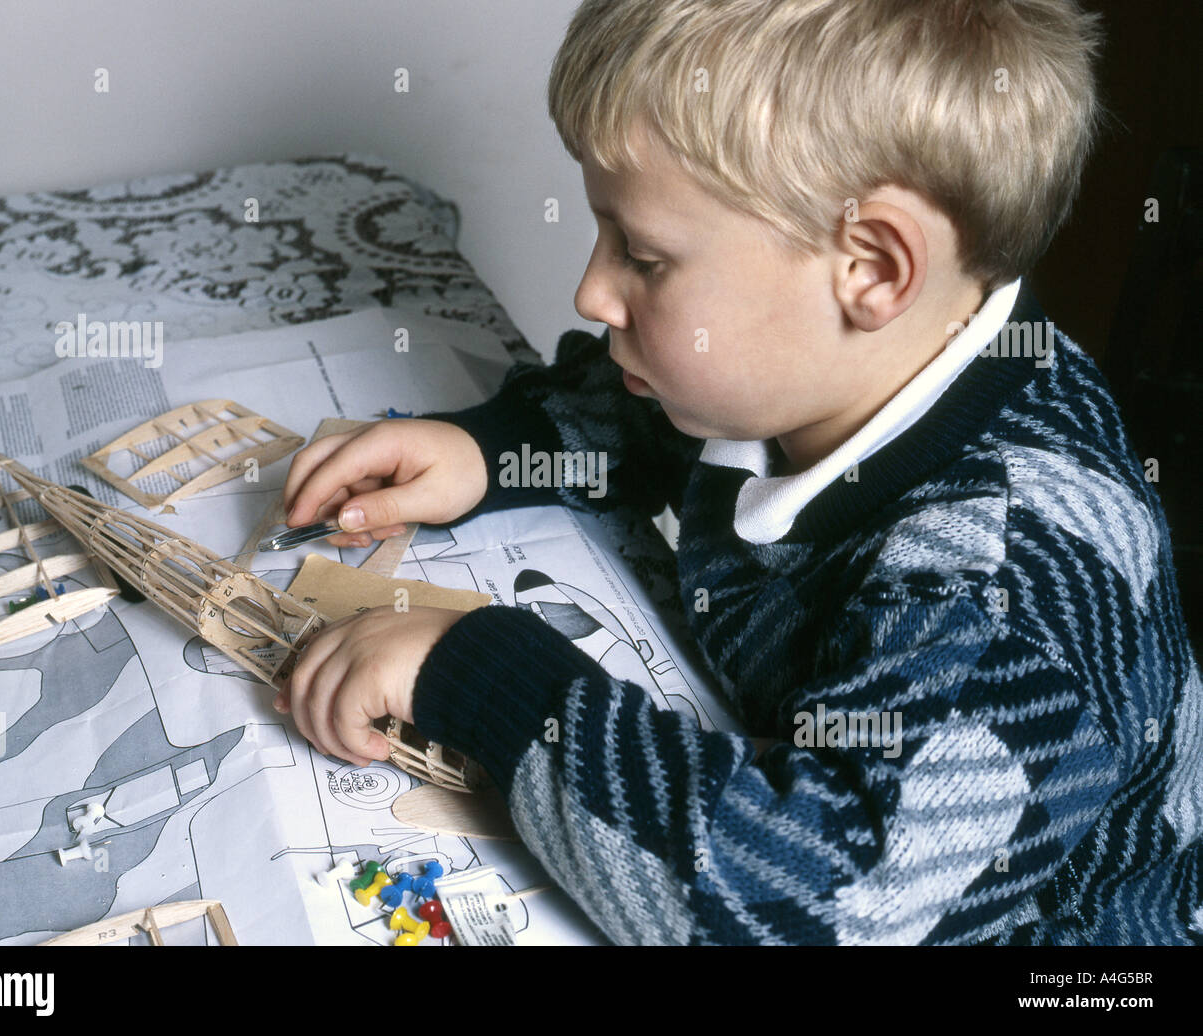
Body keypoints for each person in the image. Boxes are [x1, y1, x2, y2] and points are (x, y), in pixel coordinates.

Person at [276, 0, 1201, 944]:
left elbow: (810, 904)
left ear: (873, 269)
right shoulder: (830, 364)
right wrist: (493, 448)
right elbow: (671, 413)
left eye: (643, 255)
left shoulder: (1012, 587)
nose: (592, 291)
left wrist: (475, 673)